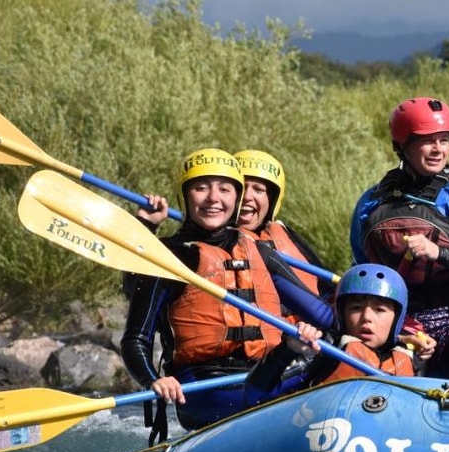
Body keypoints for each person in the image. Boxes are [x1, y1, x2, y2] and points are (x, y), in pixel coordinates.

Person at [120, 148, 329, 434]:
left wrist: (376, 328)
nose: (213, 198)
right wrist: (153, 380)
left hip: (263, 375)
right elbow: (135, 338)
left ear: (236, 197)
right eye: (201, 188)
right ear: (185, 196)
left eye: (225, 189)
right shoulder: (168, 257)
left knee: (339, 349)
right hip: (207, 393)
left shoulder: (258, 251)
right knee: (280, 379)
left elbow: (322, 314)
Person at [349, 96, 449, 382]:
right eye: (428, 141)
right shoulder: (371, 203)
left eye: (445, 140)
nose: (438, 149)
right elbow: (363, 268)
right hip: (397, 322)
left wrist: (437, 252)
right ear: (402, 146)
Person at [244, 264, 427, 406]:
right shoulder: (323, 348)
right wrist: (287, 350)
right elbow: (256, 394)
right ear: (341, 313)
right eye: (356, 308)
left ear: (397, 319)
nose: (366, 318)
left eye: (379, 310)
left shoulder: (411, 359)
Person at [232, 149, 335, 299]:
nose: (247, 196)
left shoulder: (287, 237)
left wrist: (310, 323)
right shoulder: (206, 241)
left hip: (296, 321)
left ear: (272, 201)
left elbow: (328, 295)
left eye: (258, 190)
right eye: (240, 188)